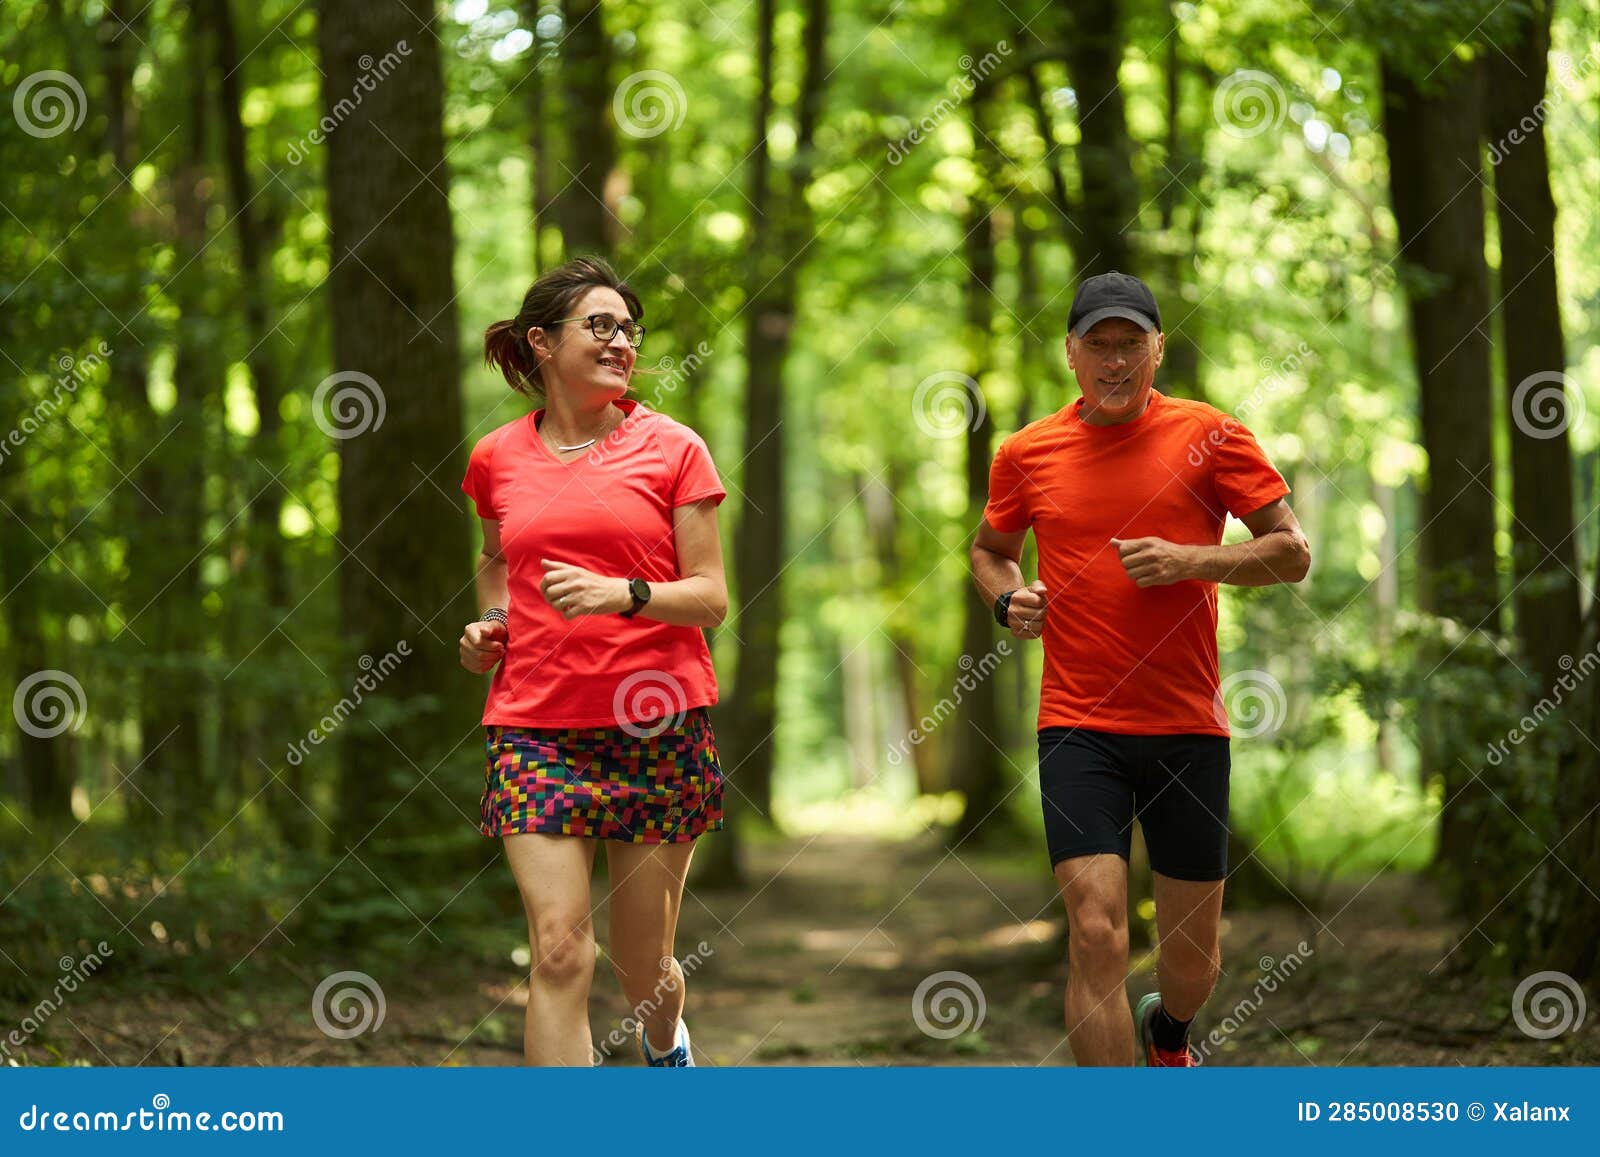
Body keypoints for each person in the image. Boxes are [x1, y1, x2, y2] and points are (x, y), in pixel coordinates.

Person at [970, 270, 1310, 1066]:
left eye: (1131, 343)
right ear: (1070, 353)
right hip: (1078, 725)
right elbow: (990, 551)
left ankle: (1171, 1032)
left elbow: (1292, 552)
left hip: (1188, 724)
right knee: (1095, 931)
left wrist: (1193, 558)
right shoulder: (1027, 451)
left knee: (1192, 964)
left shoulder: (1212, 434)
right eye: (1099, 345)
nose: (1115, 361)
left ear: (1158, 348)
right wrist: (1007, 601)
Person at [459, 256, 729, 1067]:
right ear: (541, 342)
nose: (621, 342)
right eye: (600, 325)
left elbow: (711, 596)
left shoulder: (673, 447)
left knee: (641, 968)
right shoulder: (497, 457)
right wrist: (493, 622)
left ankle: (664, 1043)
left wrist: (624, 594)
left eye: (628, 329)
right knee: (558, 949)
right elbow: (496, 559)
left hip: (655, 722)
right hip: (534, 726)